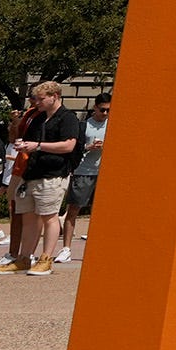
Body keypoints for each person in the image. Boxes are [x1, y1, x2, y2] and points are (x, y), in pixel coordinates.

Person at [0, 81, 84, 276]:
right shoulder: (38, 118)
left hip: (53, 174)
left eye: (41, 98)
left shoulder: (67, 118)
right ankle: (24, 258)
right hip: (32, 172)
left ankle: (46, 259)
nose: (37, 102)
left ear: (55, 96)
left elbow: (68, 145)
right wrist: (23, 143)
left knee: (49, 216)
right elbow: (28, 140)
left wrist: (37, 146)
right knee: (28, 217)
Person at [66, 97, 107, 256]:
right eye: (102, 109)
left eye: (108, 110)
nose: (105, 113)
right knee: (74, 208)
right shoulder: (83, 126)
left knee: (101, 211)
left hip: (103, 172)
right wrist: (89, 147)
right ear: (95, 108)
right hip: (83, 171)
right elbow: (74, 148)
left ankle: (98, 245)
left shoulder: (113, 124)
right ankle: (66, 248)